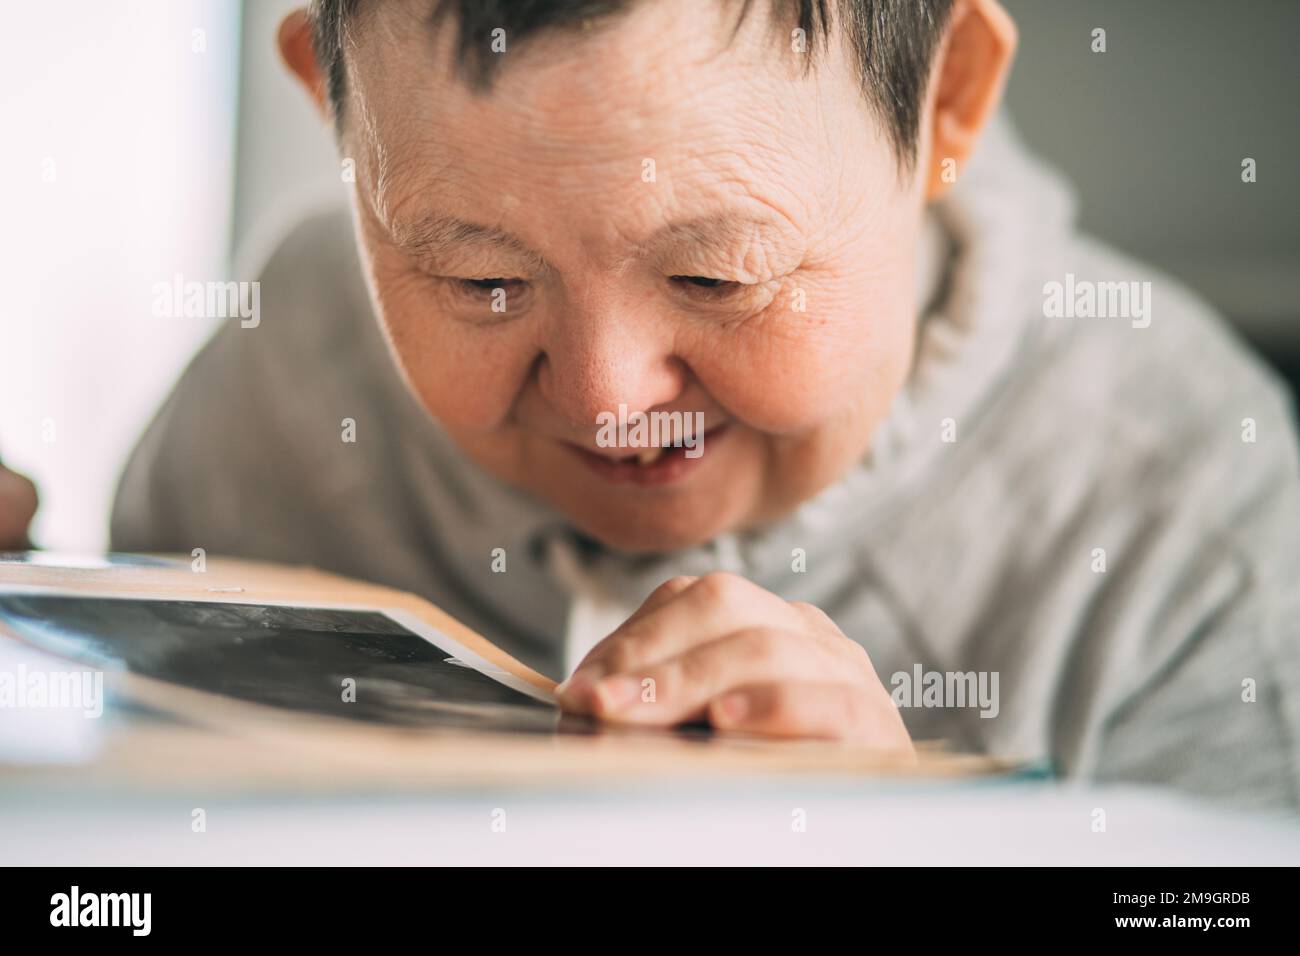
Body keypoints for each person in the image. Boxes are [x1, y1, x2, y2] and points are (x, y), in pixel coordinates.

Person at [103, 0, 1299, 805]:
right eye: (482, 280)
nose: (608, 396)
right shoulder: (283, 372)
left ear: (947, 104)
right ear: (336, 113)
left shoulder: (1190, 534)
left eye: (712, 276)